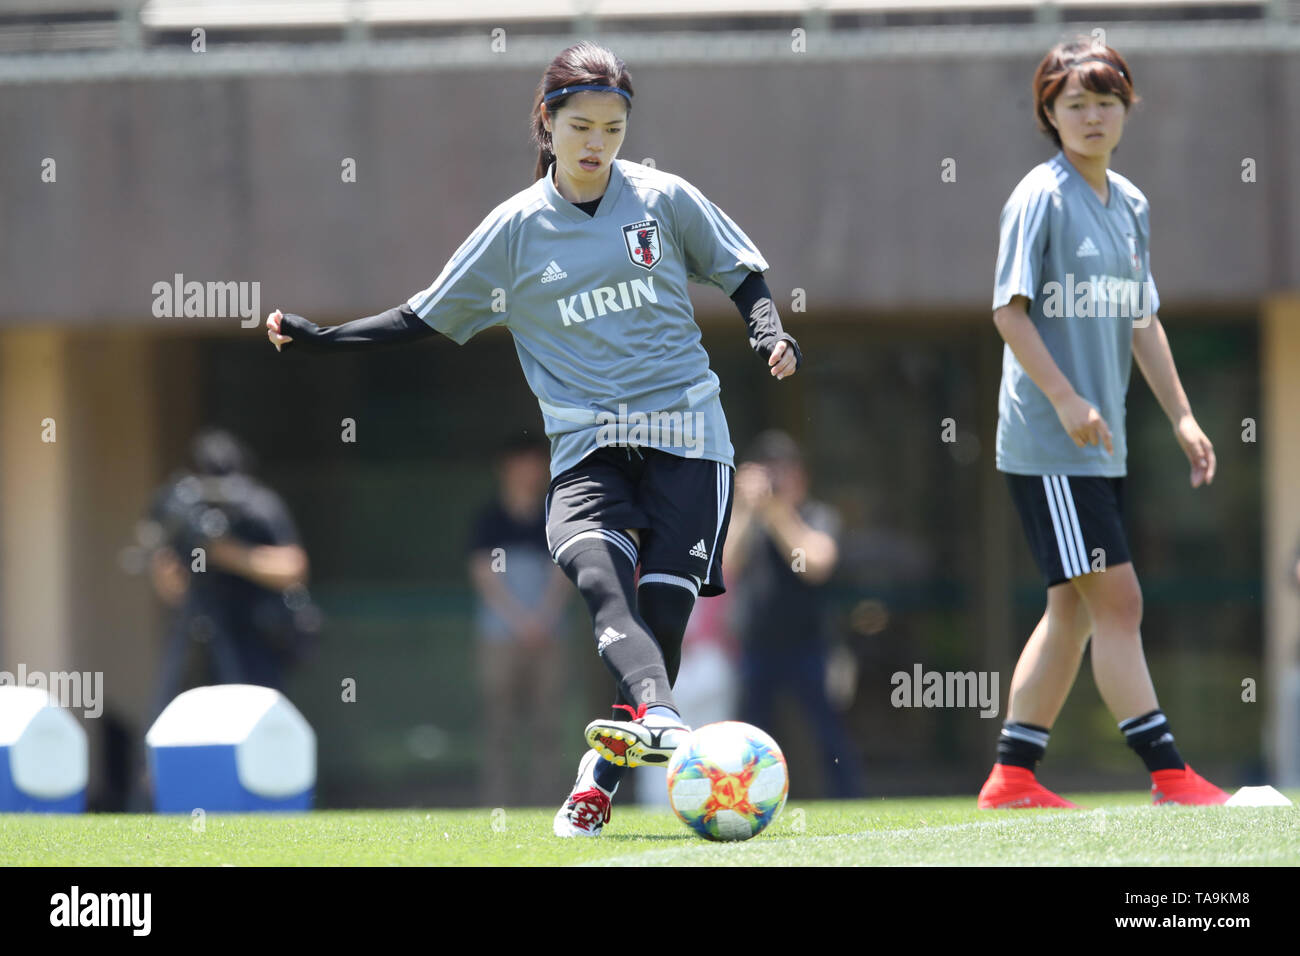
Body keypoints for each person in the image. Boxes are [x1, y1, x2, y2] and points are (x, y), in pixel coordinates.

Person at [264, 41, 801, 836]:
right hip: (586, 446)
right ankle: (661, 717)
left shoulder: (661, 200)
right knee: (595, 574)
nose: (597, 143)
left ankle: (599, 776)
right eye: (581, 125)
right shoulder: (514, 231)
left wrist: (768, 333)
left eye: (613, 128)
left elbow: (742, 271)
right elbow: (424, 314)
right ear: (547, 124)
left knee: (659, 620)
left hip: (689, 438)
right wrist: (323, 340)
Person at [979, 38, 1228, 808]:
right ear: (1048, 114)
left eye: (1106, 102)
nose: (1092, 116)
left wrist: (1182, 416)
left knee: (1074, 610)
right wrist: (1063, 397)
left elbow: (1140, 320)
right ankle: (1168, 771)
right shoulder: (1040, 197)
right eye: (1074, 104)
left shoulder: (1131, 204)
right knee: (1119, 601)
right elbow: (1007, 311)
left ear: (1127, 109)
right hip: (1049, 440)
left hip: (1099, 443)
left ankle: (1012, 776)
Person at [723, 430, 864, 798]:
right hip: (756, 647)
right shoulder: (749, 521)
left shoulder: (817, 515)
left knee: (828, 734)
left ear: (800, 475)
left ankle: (849, 800)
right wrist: (743, 509)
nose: (774, 481)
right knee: (748, 738)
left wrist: (775, 513)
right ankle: (745, 802)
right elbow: (726, 567)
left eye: (781, 471)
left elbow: (816, 564)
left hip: (810, 646)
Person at [146, 429, 313, 722]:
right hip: (197, 640)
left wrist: (226, 553)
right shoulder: (186, 511)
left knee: (255, 726)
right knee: (177, 722)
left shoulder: (258, 506)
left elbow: (293, 569)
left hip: (254, 642)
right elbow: (173, 590)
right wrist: (171, 564)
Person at [467, 436, 573, 807]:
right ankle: (497, 800)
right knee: (499, 723)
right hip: (499, 637)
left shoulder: (556, 514)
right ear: (506, 469)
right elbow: (484, 575)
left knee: (549, 722)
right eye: (522, 464)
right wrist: (519, 620)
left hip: (550, 636)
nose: (530, 473)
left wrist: (542, 618)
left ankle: (549, 800)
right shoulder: (489, 518)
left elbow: (564, 573)